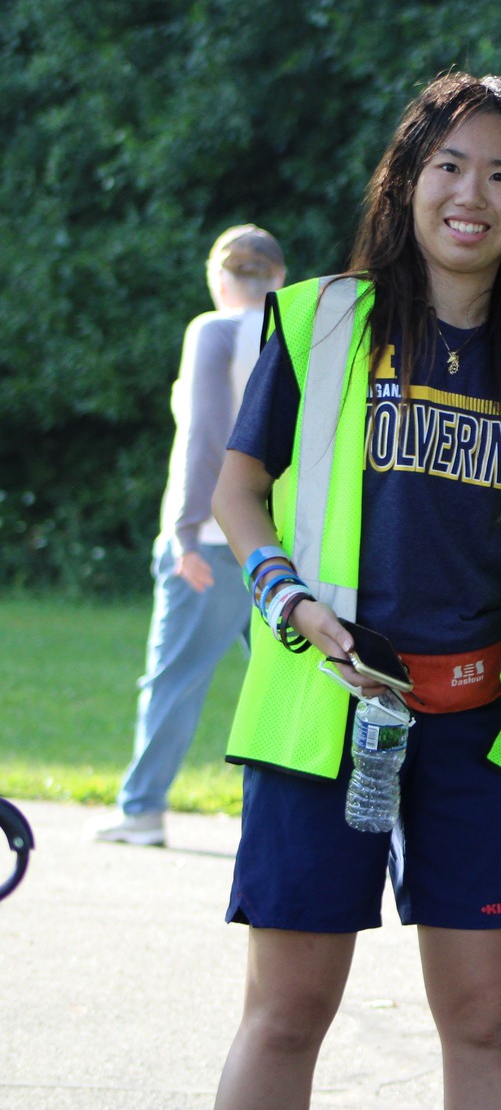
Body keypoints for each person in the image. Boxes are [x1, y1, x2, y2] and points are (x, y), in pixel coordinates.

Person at [208, 72, 501, 1110]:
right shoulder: (321, 321)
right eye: (448, 166)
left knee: (486, 1025)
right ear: (406, 181)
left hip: (475, 725)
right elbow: (238, 493)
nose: (470, 194)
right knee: (286, 1016)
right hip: (324, 711)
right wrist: (287, 600)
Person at [94, 225, 286, 848]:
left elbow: (206, 436)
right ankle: (294, 816)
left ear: (218, 277)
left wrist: (181, 530)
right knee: (285, 688)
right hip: (277, 541)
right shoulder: (294, 333)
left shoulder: (214, 330)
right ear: (277, 278)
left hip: (207, 537)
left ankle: (143, 807)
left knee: (173, 679)